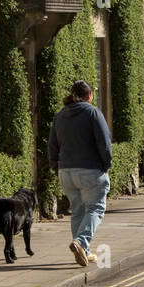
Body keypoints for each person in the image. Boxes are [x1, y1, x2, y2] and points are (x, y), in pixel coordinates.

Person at [48, 80, 112, 268]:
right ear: (89, 95)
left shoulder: (59, 116)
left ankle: (84, 251)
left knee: (77, 210)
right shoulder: (92, 112)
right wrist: (106, 165)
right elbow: (104, 142)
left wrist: (56, 167)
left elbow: (52, 145)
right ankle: (81, 242)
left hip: (65, 172)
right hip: (90, 170)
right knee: (95, 208)